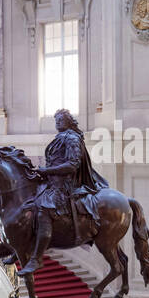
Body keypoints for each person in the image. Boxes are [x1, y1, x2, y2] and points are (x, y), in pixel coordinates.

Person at [18, 109, 108, 276]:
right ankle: (20, 245)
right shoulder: (59, 138)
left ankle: (37, 258)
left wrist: (48, 171)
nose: (57, 122)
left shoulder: (72, 139)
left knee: (44, 208)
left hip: (67, 184)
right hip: (52, 181)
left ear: (69, 121)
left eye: (61, 119)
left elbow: (73, 165)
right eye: (56, 119)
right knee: (29, 202)